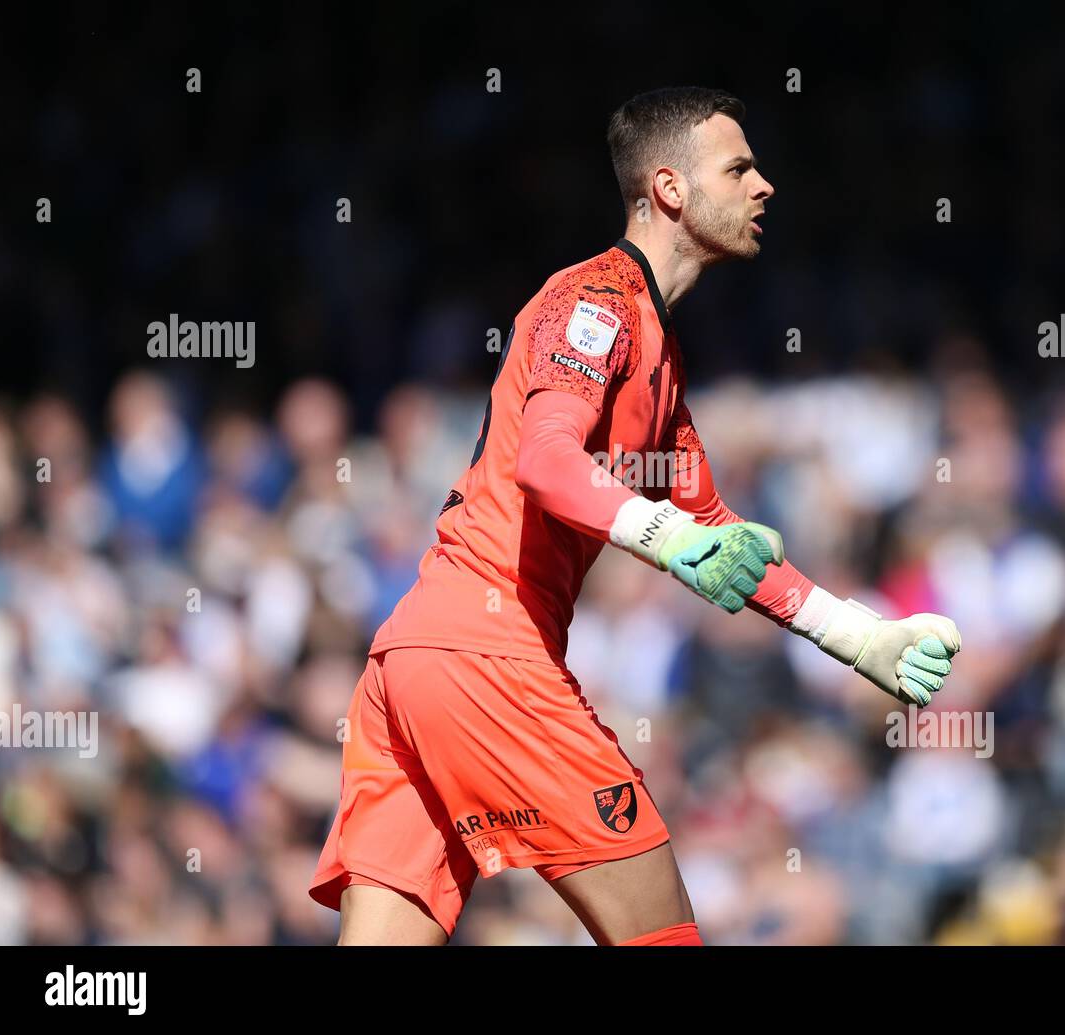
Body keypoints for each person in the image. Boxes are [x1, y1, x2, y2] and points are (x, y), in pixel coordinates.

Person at [308, 87, 963, 946]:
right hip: (488, 657)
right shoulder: (598, 300)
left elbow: (714, 527)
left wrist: (854, 633)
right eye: (739, 168)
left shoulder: (656, 353)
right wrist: (669, 538)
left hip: (411, 666)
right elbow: (549, 462)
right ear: (670, 189)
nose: (764, 186)